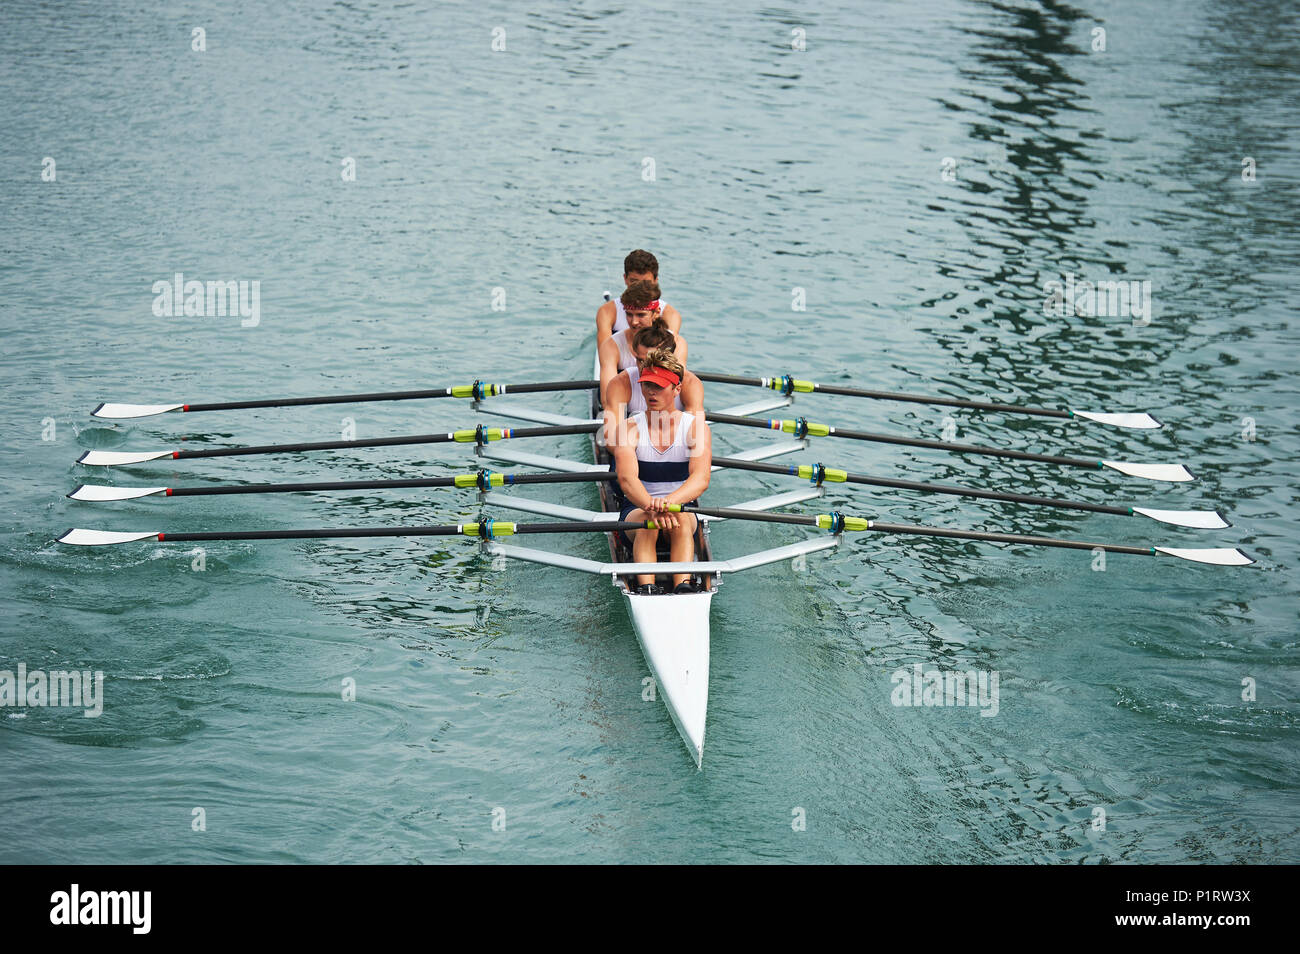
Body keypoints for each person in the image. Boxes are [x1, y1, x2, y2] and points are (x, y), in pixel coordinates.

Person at [611, 349, 712, 595]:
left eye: (659, 386)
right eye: (646, 385)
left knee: (680, 521)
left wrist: (668, 504)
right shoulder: (629, 428)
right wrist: (651, 506)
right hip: (637, 508)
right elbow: (626, 480)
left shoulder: (695, 428)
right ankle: (646, 588)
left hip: (680, 508)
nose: (650, 392)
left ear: (676, 389)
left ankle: (683, 586)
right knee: (649, 525)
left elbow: (700, 480)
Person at [598, 280, 688, 407]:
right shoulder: (611, 345)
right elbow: (607, 400)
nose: (634, 322)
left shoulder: (677, 343)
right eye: (629, 314)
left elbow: (680, 383)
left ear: (656, 313)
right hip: (624, 405)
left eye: (640, 315)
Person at [603, 319, 704, 424]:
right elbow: (611, 435)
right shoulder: (621, 382)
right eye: (640, 360)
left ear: (666, 358)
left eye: (649, 361)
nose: (643, 367)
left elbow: (696, 432)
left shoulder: (690, 384)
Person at [596, 249, 682, 342]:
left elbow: (670, 351)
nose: (640, 287)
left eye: (646, 282)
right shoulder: (607, 311)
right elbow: (604, 350)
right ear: (625, 279)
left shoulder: (671, 315)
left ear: (656, 280)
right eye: (634, 281)